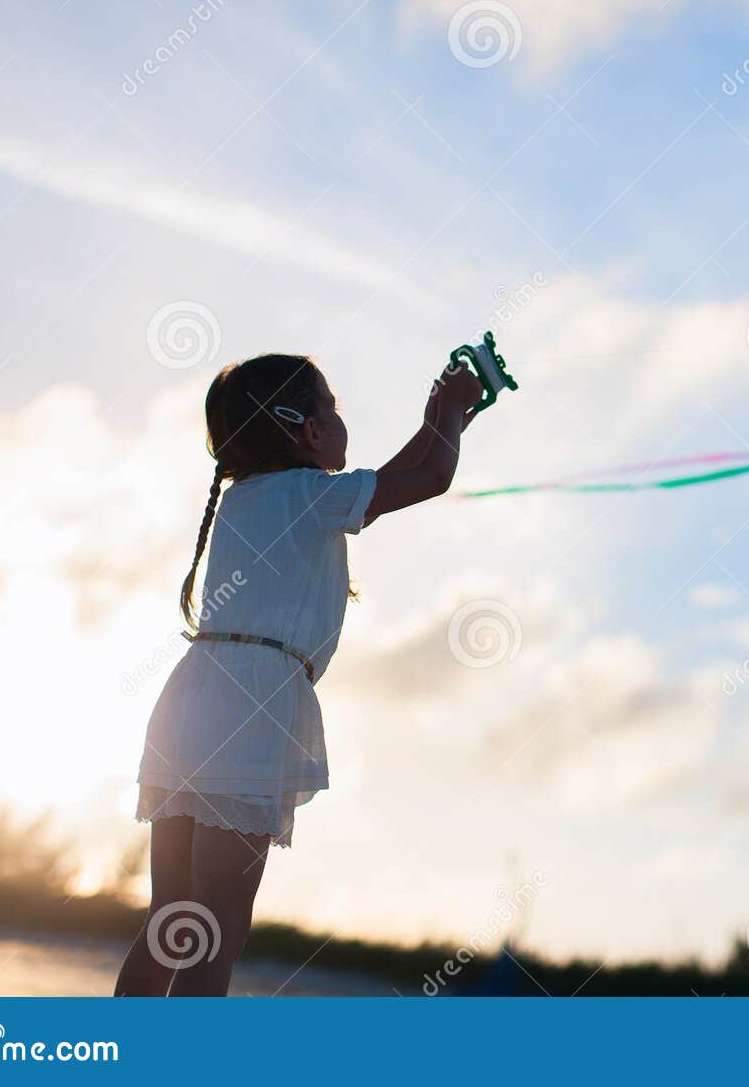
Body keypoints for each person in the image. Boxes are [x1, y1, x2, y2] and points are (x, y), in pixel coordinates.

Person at [114, 352, 483, 995]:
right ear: (306, 429)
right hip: (251, 706)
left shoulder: (250, 496)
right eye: (331, 408)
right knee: (217, 936)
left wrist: (438, 420)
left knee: (171, 924)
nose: (342, 422)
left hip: (190, 699)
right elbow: (431, 478)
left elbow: (399, 473)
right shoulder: (312, 498)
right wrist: (449, 413)